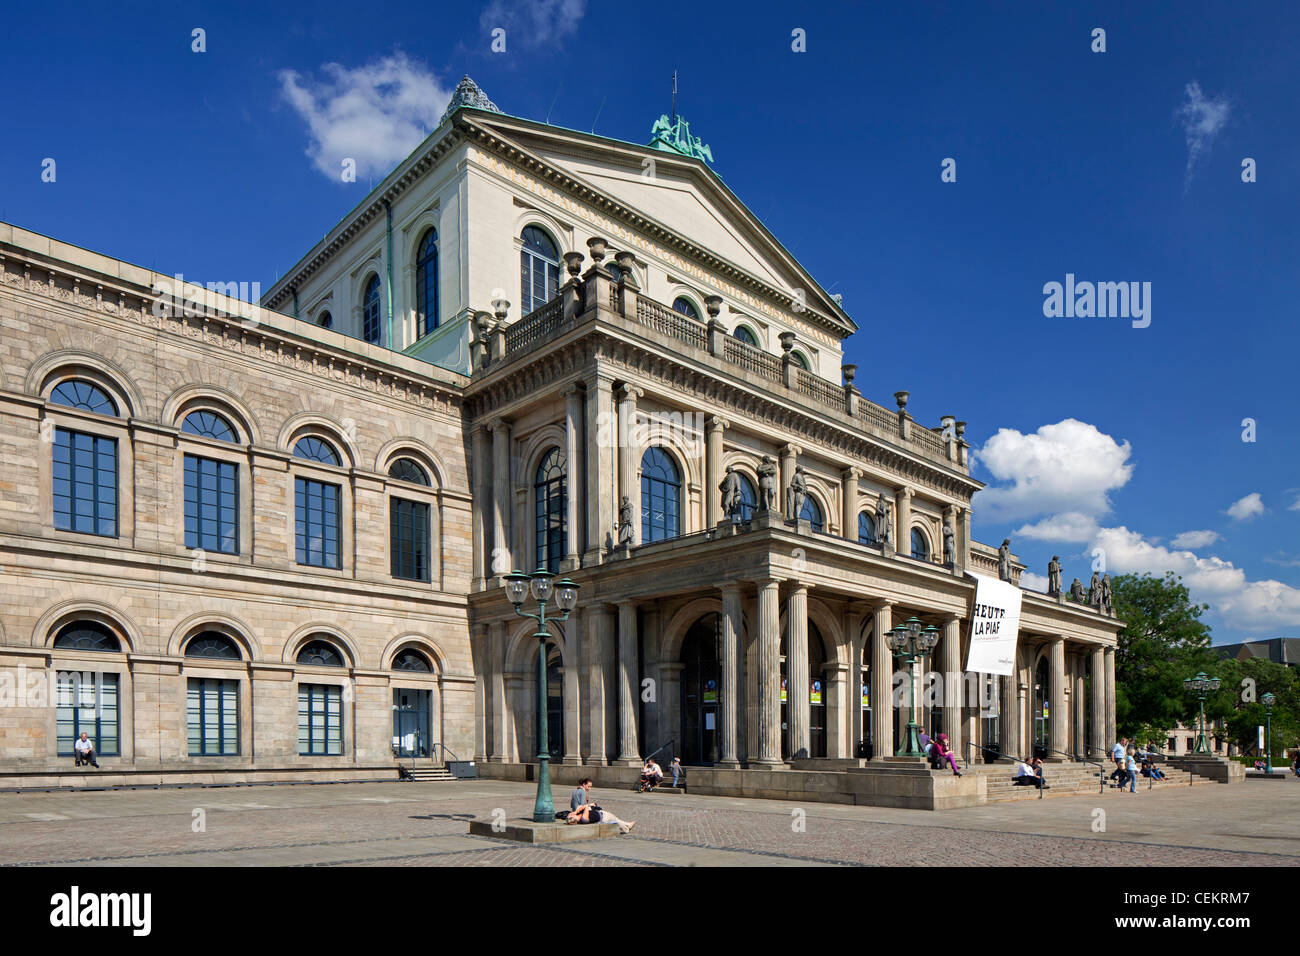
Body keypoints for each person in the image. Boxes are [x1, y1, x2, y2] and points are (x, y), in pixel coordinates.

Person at [566, 778, 635, 833]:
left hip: (585, 813)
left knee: (614, 819)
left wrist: (574, 811)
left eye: (590, 787)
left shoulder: (575, 791)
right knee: (614, 819)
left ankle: (627, 825)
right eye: (588, 786)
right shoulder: (583, 792)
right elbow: (583, 805)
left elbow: (572, 804)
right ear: (584, 784)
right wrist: (588, 805)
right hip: (596, 815)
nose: (589, 788)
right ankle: (627, 827)